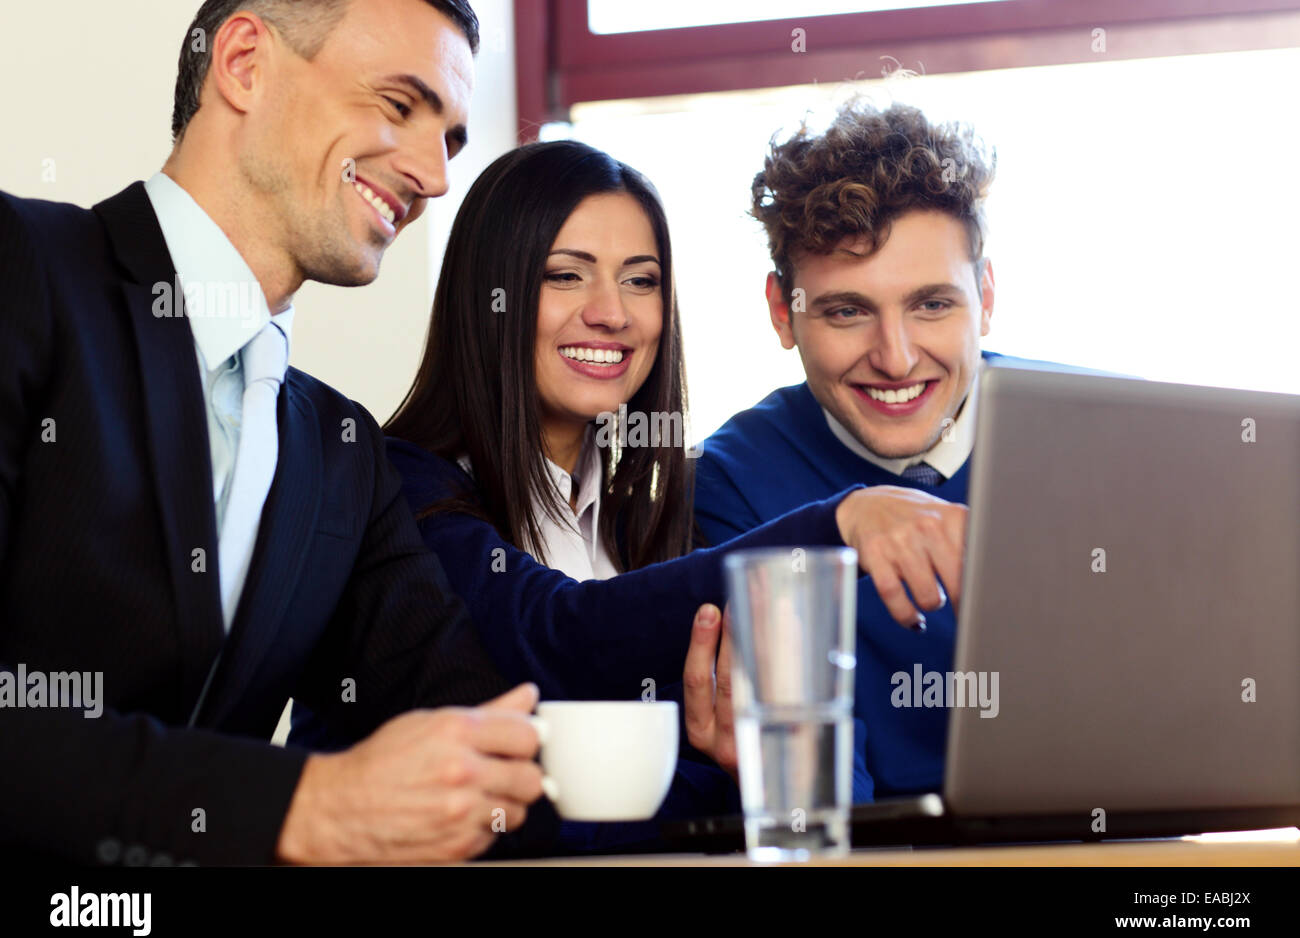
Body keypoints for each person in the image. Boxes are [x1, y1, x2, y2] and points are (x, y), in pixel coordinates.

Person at [0, 0, 552, 866]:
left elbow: (468, 711)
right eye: (400, 106)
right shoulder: (19, 269)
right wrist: (307, 805)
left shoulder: (340, 449)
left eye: (449, 140)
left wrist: (672, 744)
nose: (434, 177)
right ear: (246, 63)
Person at [293, 140, 897, 842]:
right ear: (490, 296)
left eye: (641, 281)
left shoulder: (649, 525)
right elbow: (560, 645)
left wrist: (743, 770)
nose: (612, 313)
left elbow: (832, 769)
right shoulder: (397, 488)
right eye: (565, 276)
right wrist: (837, 526)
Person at [694, 101, 1093, 801]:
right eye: (848, 311)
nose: (897, 358)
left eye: (932, 305)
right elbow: (815, 788)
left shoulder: (1098, 438)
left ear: (987, 296)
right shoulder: (734, 480)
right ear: (783, 312)